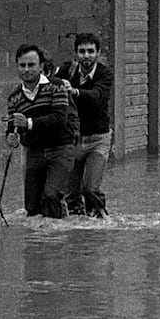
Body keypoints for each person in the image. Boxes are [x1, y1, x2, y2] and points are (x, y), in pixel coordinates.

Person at [4, 44, 78, 218]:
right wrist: (11, 137)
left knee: (51, 196)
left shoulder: (57, 86)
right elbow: (12, 128)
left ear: (41, 66)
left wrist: (28, 123)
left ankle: (55, 241)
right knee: (32, 206)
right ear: (17, 67)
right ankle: (37, 243)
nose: (27, 70)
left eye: (31, 65)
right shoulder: (14, 98)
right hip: (35, 151)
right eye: (22, 66)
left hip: (61, 148)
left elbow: (60, 119)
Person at [52, 33, 113, 218]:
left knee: (90, 188)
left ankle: (100, 221)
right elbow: (49, 84)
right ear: (76, 53)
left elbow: (97, 96)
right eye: (82, 52)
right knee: (71, 194)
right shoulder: (66, 71)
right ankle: (78, 234)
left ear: (98, 53)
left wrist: (75, 91)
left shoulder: (105, 74)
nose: (86, 56)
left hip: (98, 139)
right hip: (73, 140)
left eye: (90, 52)